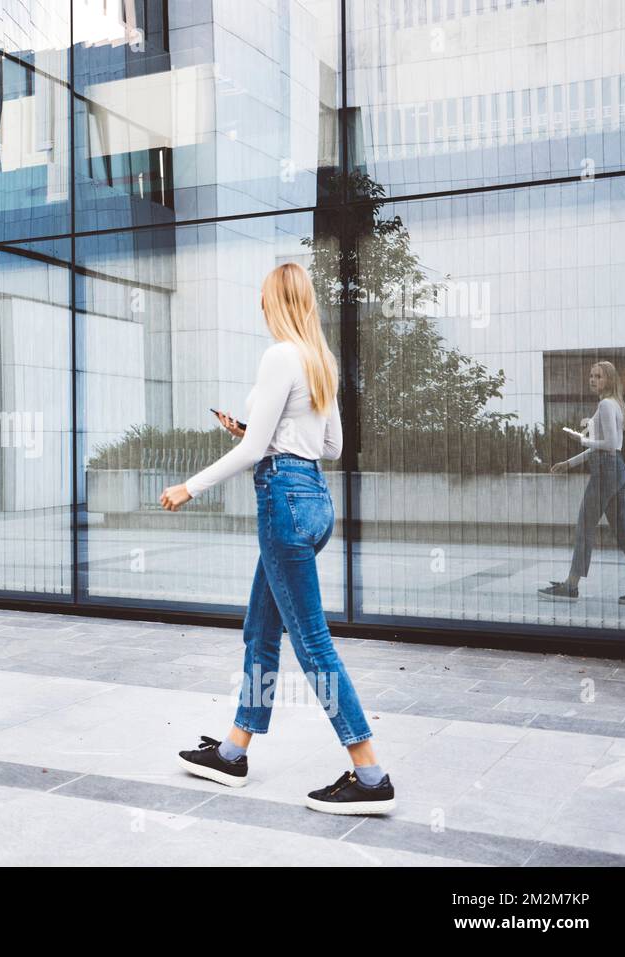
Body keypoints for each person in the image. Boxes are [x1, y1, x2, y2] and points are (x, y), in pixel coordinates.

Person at [159, 262, 394, 815]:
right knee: (261, 631)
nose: (260, 309)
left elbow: (251, 454)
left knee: (313, 644)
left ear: (277, 303)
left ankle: (370, 772)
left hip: (283, 504)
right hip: (313, 501)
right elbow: (331, 446)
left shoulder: (279, 356)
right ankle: (233, 751)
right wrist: (257, 433)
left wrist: (188, 487)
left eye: (264, 300)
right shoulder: (319, 360)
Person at [539, 361, 625, 604]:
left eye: (599, 377)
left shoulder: (606, 405)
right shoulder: (612, 404)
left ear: (610, 380)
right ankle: (571, 584)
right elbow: (609, 447)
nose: (593, 380)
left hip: (607, 471)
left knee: (585, 526)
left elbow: (609, 444)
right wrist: (568, 463)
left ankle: (571, 586)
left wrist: (582, 441)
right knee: (623, 533)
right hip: (615, 470)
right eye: (591, 376)